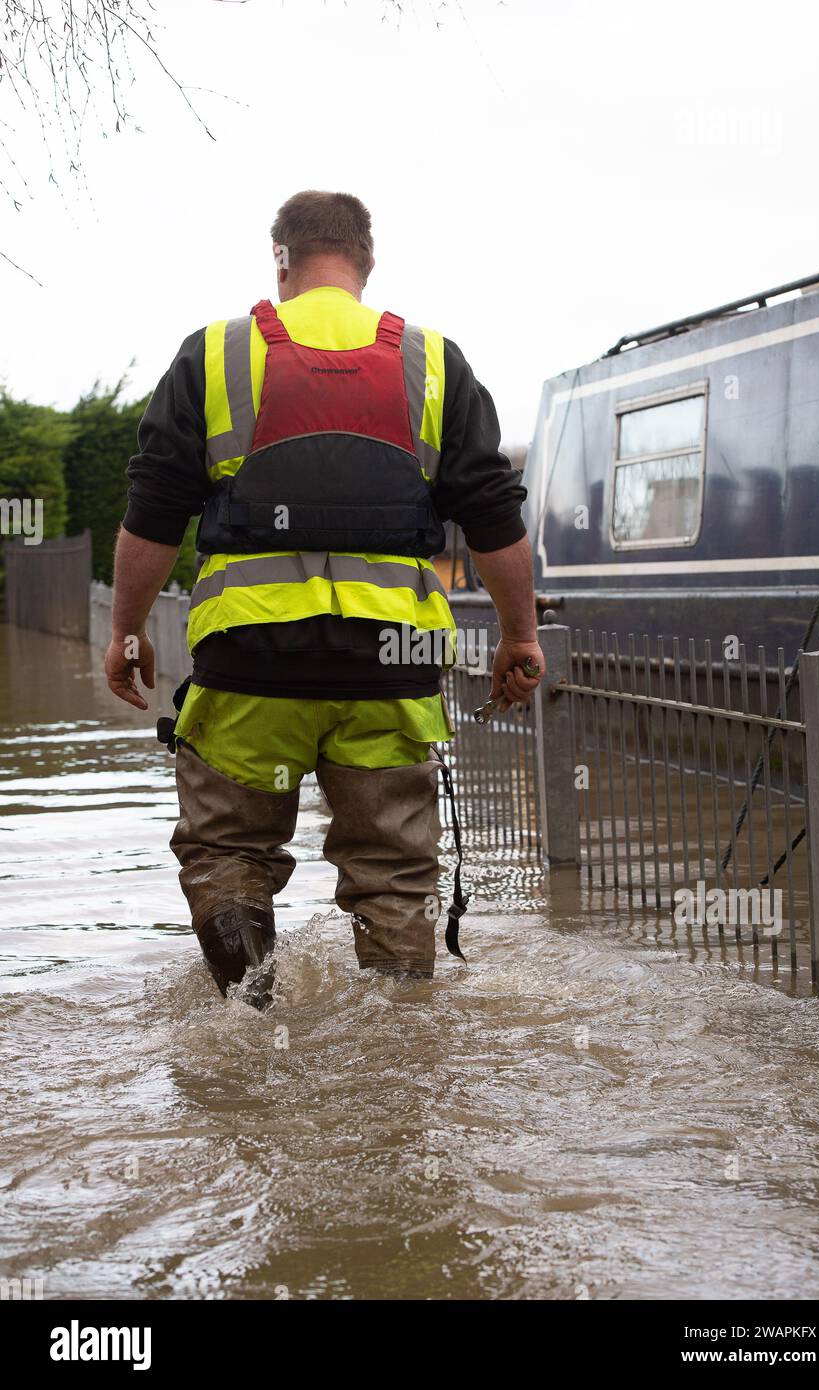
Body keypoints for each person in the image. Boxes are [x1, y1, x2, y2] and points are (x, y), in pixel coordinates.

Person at [104, 190, 544, 1005]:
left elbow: (153, 510)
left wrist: (128, 631)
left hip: (249, 665)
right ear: (366, 263)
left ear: (281, 259)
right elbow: (494, 515)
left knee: (230, 848)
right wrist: (521, 637)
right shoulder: (435, 360)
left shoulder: (215, 354)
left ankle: (248, 1019)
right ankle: (398, 1039)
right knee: (392, 871)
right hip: (389, 668)